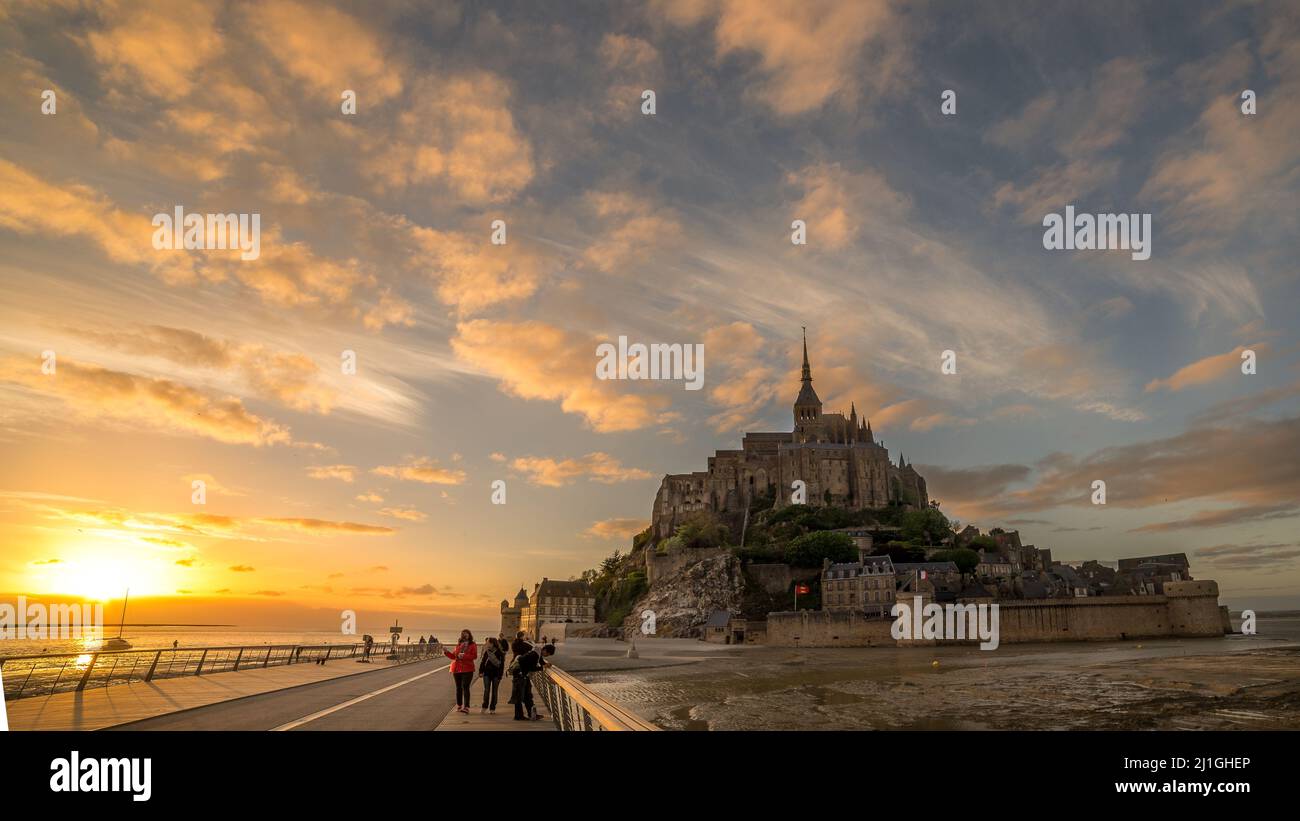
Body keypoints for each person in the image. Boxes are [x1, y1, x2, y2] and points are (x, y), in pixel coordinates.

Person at [513, 643, 554, 721]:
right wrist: (542, 667)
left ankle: (532, 714)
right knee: (520, 696)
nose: (547, 656)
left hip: (523, 675)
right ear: (544, 650)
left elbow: (540, 661)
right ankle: (518, 716)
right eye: (547, 654)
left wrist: (545, 664)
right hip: (520, 675)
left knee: (527, 696)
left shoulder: (537, 652)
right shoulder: (534, 654)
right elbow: (531, 667)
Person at [444, 629, 478, 714]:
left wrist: (464, 656)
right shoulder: (458, 645)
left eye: (466, 634)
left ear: (469, 635)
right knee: (458, 688)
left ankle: (466, 707)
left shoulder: (472, 644)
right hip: (457, 669)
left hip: (468, 668)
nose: (464, 635)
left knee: (465, 687)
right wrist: (446, 652)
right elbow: (453, 656)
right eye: (463, 634)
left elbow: (474, 656)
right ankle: (459, 705)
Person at [478, 637, 506, 714]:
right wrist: (480, 671)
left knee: (494, 692)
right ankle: (484, 706)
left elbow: (501, 666)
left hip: (496, 675)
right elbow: (483, 662)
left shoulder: (500, 653)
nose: (487, 644)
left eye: (488, 643)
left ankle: (492, 708)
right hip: (486, 673)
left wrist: (500, 676)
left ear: (492, 643)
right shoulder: (487, 652)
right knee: (486, 691)